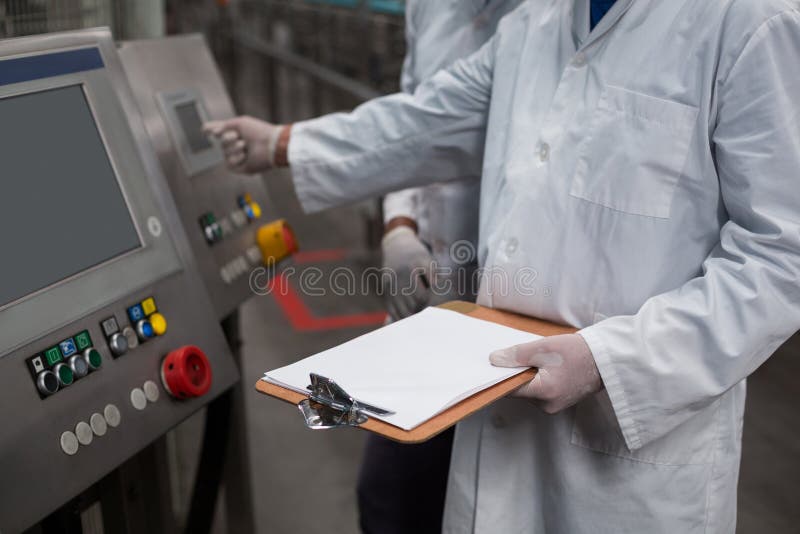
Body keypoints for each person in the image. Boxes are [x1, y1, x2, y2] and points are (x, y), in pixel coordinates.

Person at [205, 0, 800, 531]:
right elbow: (428, 119)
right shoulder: (534, 22)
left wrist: (610, 361)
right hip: (499, 398)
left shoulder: (750, 19)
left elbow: (781, 256)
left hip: (631, 461)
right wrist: (284, 143)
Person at [357, 2, 524, 533]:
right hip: (426, 302)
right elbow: (411, 123)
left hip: (510, 309)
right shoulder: (426, 6)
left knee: (481, 499)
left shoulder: (548, 19)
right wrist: (398, 224)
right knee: (388, 496)